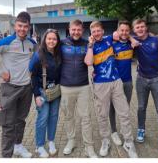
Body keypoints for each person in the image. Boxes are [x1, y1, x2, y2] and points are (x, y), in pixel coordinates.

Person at [0, 11, 36, 158]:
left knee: (20, 121)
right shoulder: (5, 42)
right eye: (20, 26)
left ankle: (18, 146)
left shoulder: (32, 43)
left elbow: (37, 60)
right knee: (8, 124)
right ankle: (6, 156)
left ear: (29, 27)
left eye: (25, 26)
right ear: (15, 25)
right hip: (9, 89)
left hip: (26, 89)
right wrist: (0, 73)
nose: (22, 29)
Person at [84, 21, 138, 157]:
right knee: (102, 115)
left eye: (98, 30)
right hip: (100, 84)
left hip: (116, 81)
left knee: (124, 112)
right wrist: (90, 45)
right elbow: (89, 62)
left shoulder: (109, 39)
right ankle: (105, 140)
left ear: (103, 31)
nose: (96, 33)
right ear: (91, 33)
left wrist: (131, 39)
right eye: (94, 31)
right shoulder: (90, 45)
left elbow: (123, 33)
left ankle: (128, 141)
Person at [128, 19, 158, 151]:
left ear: (146, 27)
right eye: (137, 27)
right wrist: (131, 38)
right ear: (134, 30)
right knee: (141, 107)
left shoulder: (156, 40)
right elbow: (118, 34)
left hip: (157, 79)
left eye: (142, 26)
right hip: (141, 79)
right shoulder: (134, 39)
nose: (140, 29)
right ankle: (141, 129)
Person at [58, 19, 96, 157]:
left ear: (82, 30)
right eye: (73, 29)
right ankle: (71, 140)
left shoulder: (87, 43)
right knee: (69, 116)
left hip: (83, 86)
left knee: (86, 117)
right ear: (69, 29)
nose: (76, 32)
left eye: (78, 29)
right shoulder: (61, 43)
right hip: (65, 86)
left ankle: (89, 146)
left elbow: (92, 61)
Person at [30, 29, 63, 157]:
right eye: (49, 38)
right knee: (43, 118)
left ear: (57, 41)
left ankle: (51, 141)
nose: (51, 41)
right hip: (42, 92)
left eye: (54, 39)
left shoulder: (59, 54)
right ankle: (39, 146)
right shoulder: (38, 55)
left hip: (56, 91)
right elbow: (32, 76)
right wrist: (37, 95)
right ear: (44, 39)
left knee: (53, 117)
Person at [108, 21, 134, 147]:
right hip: (114, 81)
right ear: (117, 31)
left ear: (129, 32)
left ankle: (125, 130)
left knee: (125, 108)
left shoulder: (132, 43)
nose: (124, 32)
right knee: (112, 108)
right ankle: (113, 132)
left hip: (128, 81)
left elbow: (147, 36)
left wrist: (132, 38)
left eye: (126, 30)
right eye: (121, 30)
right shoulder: (112, 43)